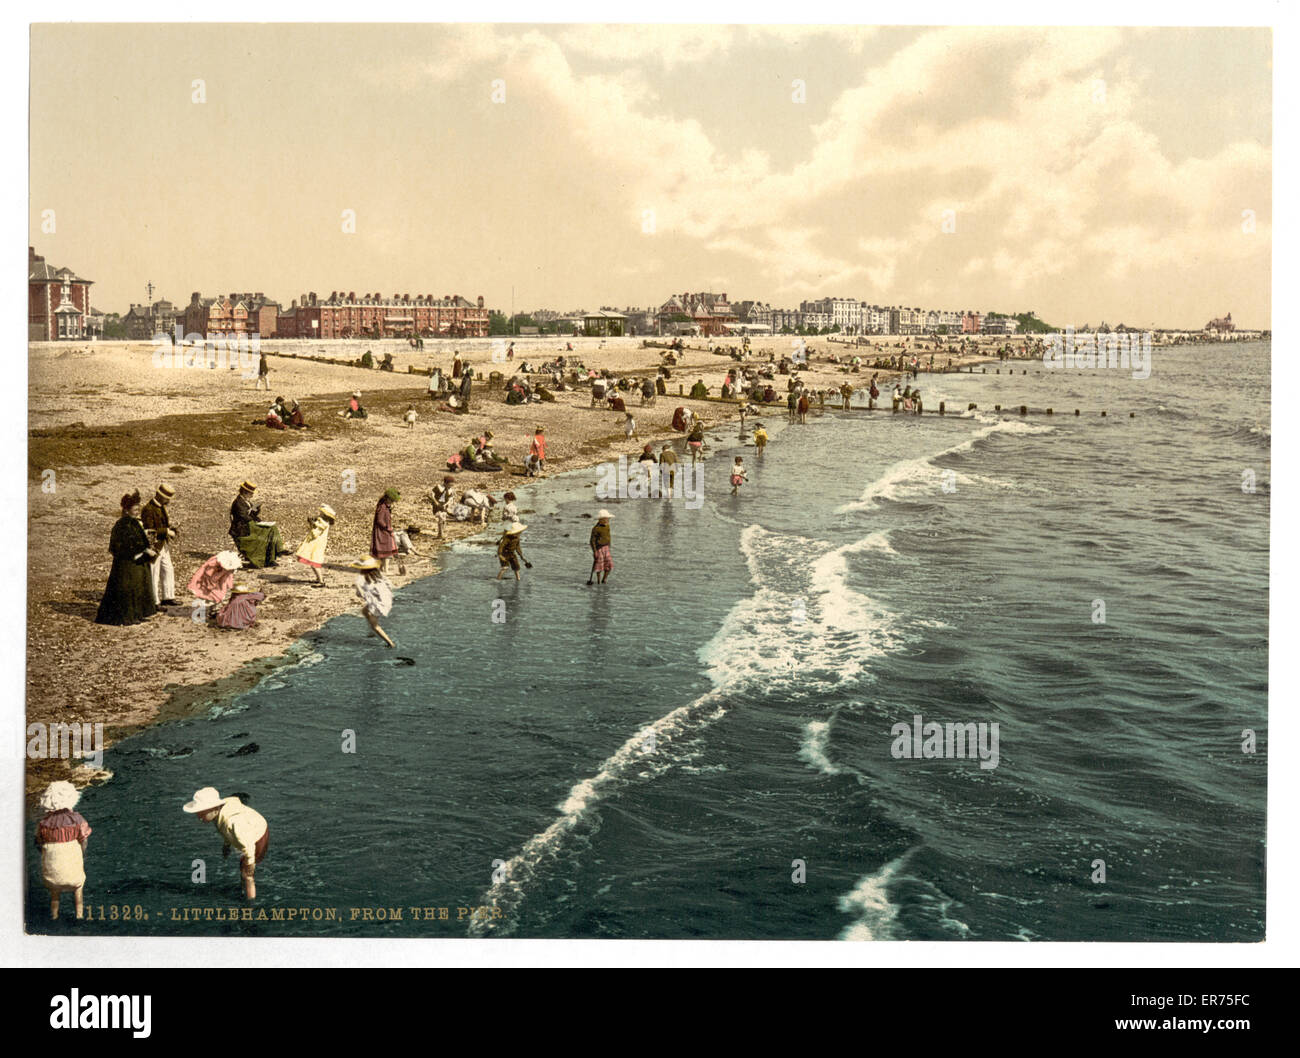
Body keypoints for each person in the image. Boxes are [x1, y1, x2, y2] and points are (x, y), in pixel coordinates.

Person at [183, 787, 268, 900]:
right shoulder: (218, 814)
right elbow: (226, 831)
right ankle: (244, 891)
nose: (199, 817)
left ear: (215, 808)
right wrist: (227, 845)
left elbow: (248, 846)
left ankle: (250, 905)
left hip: (258, 834)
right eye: (198, 813)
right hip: (247, 827)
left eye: (202, 813)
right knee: (243, 867)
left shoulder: (233, 822)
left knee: (247, 874)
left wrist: (250, 864)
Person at [95, 491, 158, 625]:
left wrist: (145, 548)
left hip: (138, 561)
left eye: (138, 509)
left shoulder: (134, 522)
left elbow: (138, 540)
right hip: (126, 564)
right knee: (129, 590)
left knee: (140, 587)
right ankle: (127, 616)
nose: (137, 511)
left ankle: (138, 613)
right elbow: (120, 546)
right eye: (135, 509)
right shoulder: (122, 525)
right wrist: (143, 550)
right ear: (126, 510)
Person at [35, 781, 92, 920]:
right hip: (73, 876)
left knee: (55, 893)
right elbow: (84, 840)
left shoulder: (43, 824)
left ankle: (54, 916)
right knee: (79, 887)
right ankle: (79, 915)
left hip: (51, 878)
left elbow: (38, 843)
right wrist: (82, 853)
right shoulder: (77, 819)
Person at [229, 481, 288, 568]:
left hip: (248, 525)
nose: (252, 495)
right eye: (251, 493)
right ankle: (274, 554)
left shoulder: (246, 501)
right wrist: (257, 522)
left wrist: (256, 510)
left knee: (272, 528)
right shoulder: (238, 502)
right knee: (269, 531)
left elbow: (251, 515)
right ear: (245, 492)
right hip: (242, 529)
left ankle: (274, 555)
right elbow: (244, 517)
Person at [140, 482, 178, 606]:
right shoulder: (148, 509)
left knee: (168, 569)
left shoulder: (161, 507)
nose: (168, 501)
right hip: (154, 546)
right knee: (154, 573)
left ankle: (168, 597)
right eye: (167, 498)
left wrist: (170, 527)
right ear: (160, 496)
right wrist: (166, 531)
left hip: (163, 544)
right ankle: (154, 601)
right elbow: (149, 530)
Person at [351, 556, 394, 647]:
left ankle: (390, 643)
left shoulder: (361, 578)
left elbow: (360, 594)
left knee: (376, 626)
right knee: (364, 611)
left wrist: (360, 591)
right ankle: (371, 632)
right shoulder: (379, 574)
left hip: (376, 604)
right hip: (386, 600)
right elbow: (390, 585)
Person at [187, 550, 242, 615]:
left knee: (215, 597)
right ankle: (206, 610)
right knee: (214, 597)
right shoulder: (214, 565)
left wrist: (229, 585)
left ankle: (212, 610)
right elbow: (213, 578)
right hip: (212, 582)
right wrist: (223, 573)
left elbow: (228, 578)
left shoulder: (222, 565)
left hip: (217, 582)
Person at [295, 504, 336, 586]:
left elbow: (314, 533)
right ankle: (318, 579)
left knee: (314, 562)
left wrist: (312, 523)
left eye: (321, 513)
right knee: (313, 561)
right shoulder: (323, 522)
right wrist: (313, 523)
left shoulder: (323, 524)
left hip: (316, 544)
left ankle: (321, 581)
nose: (319, 514)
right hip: (317, 544)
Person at [371, 487, 402, 575]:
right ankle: (386, 570)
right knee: (387, 551)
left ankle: (382, 568)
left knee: (385, 551)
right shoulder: (382, 507)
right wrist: (388, 528)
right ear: (388, 499)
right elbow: (380, 520)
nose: (392, 503)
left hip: (384, 531)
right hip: (382, 532)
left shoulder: (385, 506)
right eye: (392, 501)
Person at [587, 510, 613, 585]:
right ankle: (598, 581)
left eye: (608, 519)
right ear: (600, 520)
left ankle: (604, 579)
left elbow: (608, 536)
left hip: (606, 547)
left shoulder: (607, 526)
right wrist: (594, 551)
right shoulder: (596, 528)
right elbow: (592, 541)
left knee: (609, 564)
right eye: (606, 519)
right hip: (599, 548)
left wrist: (609, 545)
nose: (607, 520)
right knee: (599, 565)